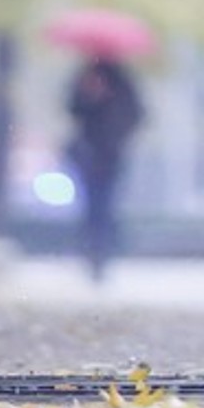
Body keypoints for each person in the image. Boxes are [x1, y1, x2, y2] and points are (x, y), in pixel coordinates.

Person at [64, 56, 144, 283]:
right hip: (89, 153)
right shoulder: (84, 77)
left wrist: (109, 103)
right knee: (92, 203)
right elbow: (72, 109)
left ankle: (101, 252)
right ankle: (92, 251)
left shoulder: (123, 83)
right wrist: (88, 96)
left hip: (111, 155)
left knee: (105, 203)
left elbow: (136, 114)